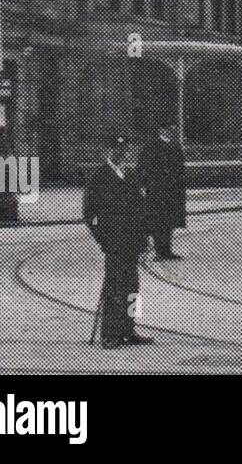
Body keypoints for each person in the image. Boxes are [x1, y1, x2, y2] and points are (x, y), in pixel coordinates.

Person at [81, 134, 153, 349]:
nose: (120, 154)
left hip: (132, 241)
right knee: (114, 288)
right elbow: (89, 214)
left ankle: (129, 329)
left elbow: (141, 208)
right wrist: (103, 239)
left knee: (133, 287)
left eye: (123, 150)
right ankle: (109, 334)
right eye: (116, 150)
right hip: (113, 243)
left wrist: (145, 236)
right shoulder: (98, 177)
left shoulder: (130, 175)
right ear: (107, 152)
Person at [137, 126, 186, 260]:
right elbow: (142, 167)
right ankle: (160, 251)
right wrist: (145, 184)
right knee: (158, 222)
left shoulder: (175, 147)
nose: (172, 131)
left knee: (168, 222)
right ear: (162, 131)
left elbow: (180, 170)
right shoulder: (152, 146)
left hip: (171, 191)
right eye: (169, 129)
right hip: (156, 191)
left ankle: (166, 250)